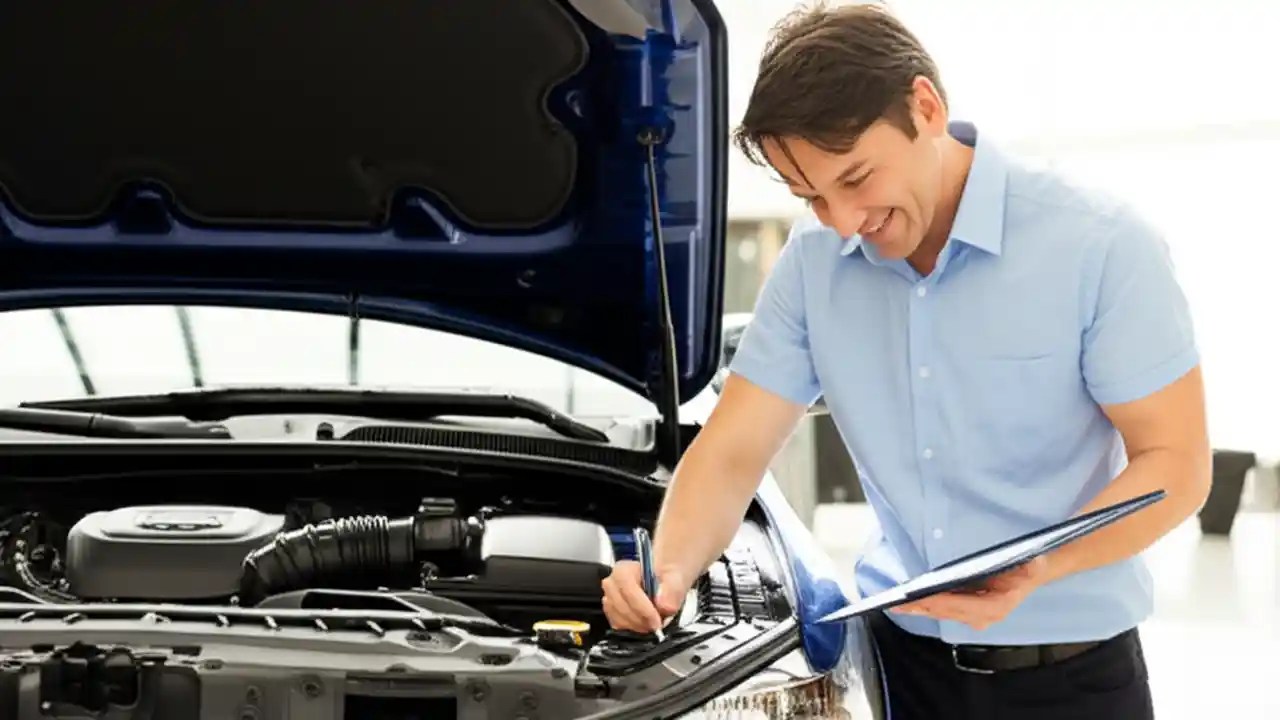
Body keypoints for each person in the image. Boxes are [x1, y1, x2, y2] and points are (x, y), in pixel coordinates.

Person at [600, 3, 1211, 719]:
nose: (843, 221)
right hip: (896, 671)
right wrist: (668, 572)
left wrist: (1041, 568)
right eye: (811, 197)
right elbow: (734, 451)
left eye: (856, 179)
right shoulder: (813, 264)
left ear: (925, 107)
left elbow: (1176, 466)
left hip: (1071, 680)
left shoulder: (1100, 245)